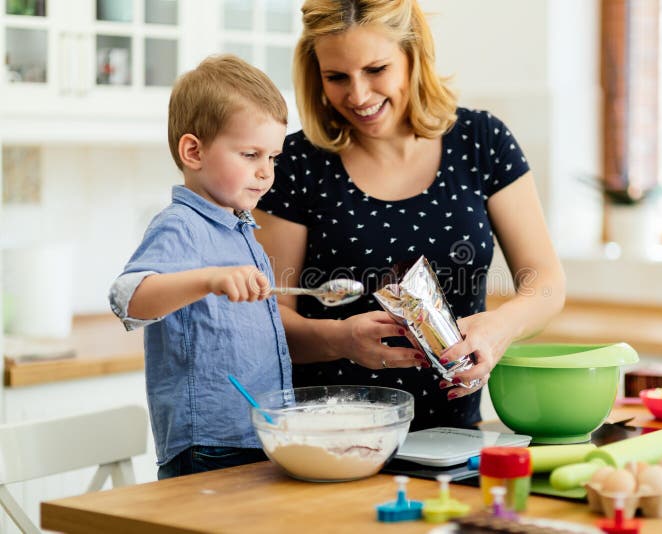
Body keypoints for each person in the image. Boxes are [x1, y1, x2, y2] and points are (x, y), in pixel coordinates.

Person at [255, 0, 565, 431]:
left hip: (455, 436)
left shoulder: (482, 142)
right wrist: (341, 340)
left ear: (412, 55)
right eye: (337, 77)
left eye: (376, 69)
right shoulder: (295, 165)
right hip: (329, 436)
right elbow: (267, 319)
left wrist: (500, 328)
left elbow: (547, 285)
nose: (358, 95)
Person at [109, 54, 292, 478]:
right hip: (211, 443)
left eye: (273, 158)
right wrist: (210, 279)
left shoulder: (240, 230)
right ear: (193, 151)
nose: (266, 173)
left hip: (256, 435)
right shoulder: (180, 226)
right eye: (250, 154)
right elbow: (128, 298)